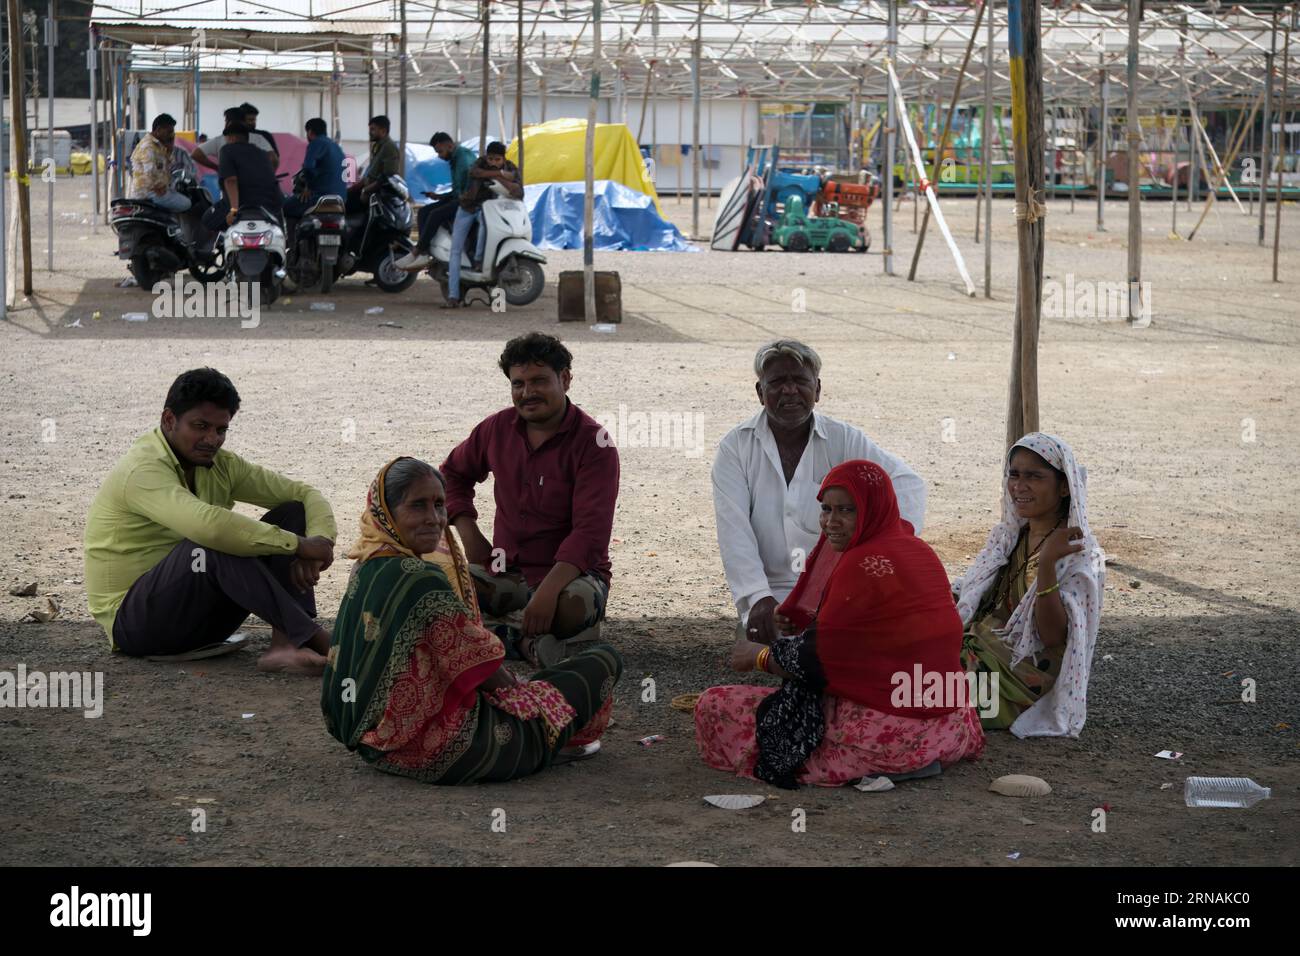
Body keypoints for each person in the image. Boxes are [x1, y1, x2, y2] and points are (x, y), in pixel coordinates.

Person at [321, 457, 623, 784]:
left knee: (550, 682)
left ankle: (544, 733)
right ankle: (549, 744)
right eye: (417, 506)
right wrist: (533, 703)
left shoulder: (366, 565)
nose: (434, 519)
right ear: (387, 513)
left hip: (376, 744)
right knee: (602, 660)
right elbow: (486, 669)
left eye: (439, 505)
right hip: (450, 749)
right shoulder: (420, 579)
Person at [696, 461, 985, 789]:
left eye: (846, 510)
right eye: (825, 509)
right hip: (952, 723)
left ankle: (883, 762)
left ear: (871, 509)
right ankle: (916, 756)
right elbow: (872, 641)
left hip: (893, 733)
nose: (831, 522)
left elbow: (817, 661)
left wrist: (757, 656)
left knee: (714, 704)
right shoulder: (918, 549)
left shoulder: (860, 565)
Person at [84, 368, 337, 675]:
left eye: (221, 430)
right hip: (138, 626)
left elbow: (304, 493)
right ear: (168, 420)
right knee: (210, 544)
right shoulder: (141, 469)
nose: (211, 439)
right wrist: (297, 545)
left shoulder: (220, 464)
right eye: (200, 426)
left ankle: (286, 644)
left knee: (293, 511)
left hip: (201, 621)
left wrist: (320, 542)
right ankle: (318, 639)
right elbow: (211, 528)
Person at [712, 339, 927, 648]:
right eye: (777, 382)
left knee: (858, 649)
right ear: (760, 393)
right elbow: (734, 531)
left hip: (840, 587)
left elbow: (908, 483)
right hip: (772, 594)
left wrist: (880, 551)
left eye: (800, 381)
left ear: (818, 389)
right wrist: (757, 597)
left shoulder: (843, 438)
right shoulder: (736, 447)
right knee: (764, 656)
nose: (789, 391)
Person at [441, 333, 619, 669]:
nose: (527, 393)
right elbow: (451, 474)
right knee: (439, 587)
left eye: (539, 381)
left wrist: (548, 593)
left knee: (571, 608)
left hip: (572, 576)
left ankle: (490, 635)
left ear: (565, 379)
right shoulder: (495, 429)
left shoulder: (595, 444)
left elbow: (590, 534)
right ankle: (523, 641)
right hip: (505, 568)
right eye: (518, 384)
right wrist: (470, 535)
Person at [953, 433, 1104, 737]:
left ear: (1064, 487)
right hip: (977, 651)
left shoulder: (1080, 555)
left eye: (1034, 476)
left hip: (1017, 680)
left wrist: (1047, 564)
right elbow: (972, 593)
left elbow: (1052, 637)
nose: (1019, 486)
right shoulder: (1009, 537)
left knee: (914, 695)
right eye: (1014, 474)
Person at [395, 131, 475, 273]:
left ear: (449, 145)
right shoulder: (457, 157)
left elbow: (460, 193)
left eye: (440, 151)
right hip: (461, 198)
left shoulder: (462, 158)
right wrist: (439, 197)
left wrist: (443, 198)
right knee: (424, 212)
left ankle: (418, 252)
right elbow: (458, 189)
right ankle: (424, 252)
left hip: (468, 202)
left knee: (435, 214)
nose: (440, 155)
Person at [202, 124, 283, 233]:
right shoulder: (262, 153)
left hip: (242, 204)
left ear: (232, 138)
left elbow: (231, 180)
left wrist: (234, 211)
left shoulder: (227, 150)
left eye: (226, 139)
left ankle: (226, 240)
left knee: (208, 219)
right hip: (270, 205)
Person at [283, 118, 346, 242]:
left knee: (286, 207)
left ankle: (291, 246)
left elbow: (308, 167)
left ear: (310, 132)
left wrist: (308, 187)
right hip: (341, 199)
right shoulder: (336, 147)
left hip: (320, 197)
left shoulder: (316, 143)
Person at [465, 140, 523, 270]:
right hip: (478, 206)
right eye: (490, 159)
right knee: (484, 224)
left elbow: (519, 191)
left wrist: (499, 178)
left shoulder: (511, 166)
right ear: (486, 157)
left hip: (504, 207)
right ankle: (478, 259)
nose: (493, 163)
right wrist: (499, 174)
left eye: (497, 160)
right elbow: (474, 172)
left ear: (503, 159)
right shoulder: (480, 163)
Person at [128, 114, 190, 212]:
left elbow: (169, 166)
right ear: (158, 129)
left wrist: (170, 148)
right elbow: (150, 172)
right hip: (149, 193)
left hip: (157, 190)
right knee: (187, 203)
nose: (171, 135)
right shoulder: (148, 147)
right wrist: (159, 187)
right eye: (169, 131)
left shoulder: (158, 146)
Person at [192, 106, 278, 172]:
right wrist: (266, 175)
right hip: (254, 187)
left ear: (229, 122)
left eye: (226, 120)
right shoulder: (258, 138)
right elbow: (273, 160)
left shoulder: (220, 141)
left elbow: (196, 154)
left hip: (228, 188)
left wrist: (217, 168)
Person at [346, 115, 400, 215]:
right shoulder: (378, 146)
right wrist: (353, 188)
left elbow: (388, 176)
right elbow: (371, 173)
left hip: (375, 194)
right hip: (367, 189)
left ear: (383, 130)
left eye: (373, 129)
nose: (370, 132)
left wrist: (366, 190)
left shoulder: (389, 147)